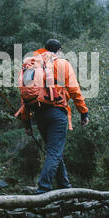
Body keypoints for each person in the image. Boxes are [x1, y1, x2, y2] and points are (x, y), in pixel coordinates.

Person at [15, 38, 89, 193]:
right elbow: (75, 90)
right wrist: (84, 112)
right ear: (59, 51)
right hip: (57, 113)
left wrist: (27, 123)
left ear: (45, 49)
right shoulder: (62, 63)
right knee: (55, 152)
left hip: (39, 114)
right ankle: (43, 189)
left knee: (54, 151)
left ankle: (65, 187)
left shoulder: (33, 65)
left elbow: (25, 96)